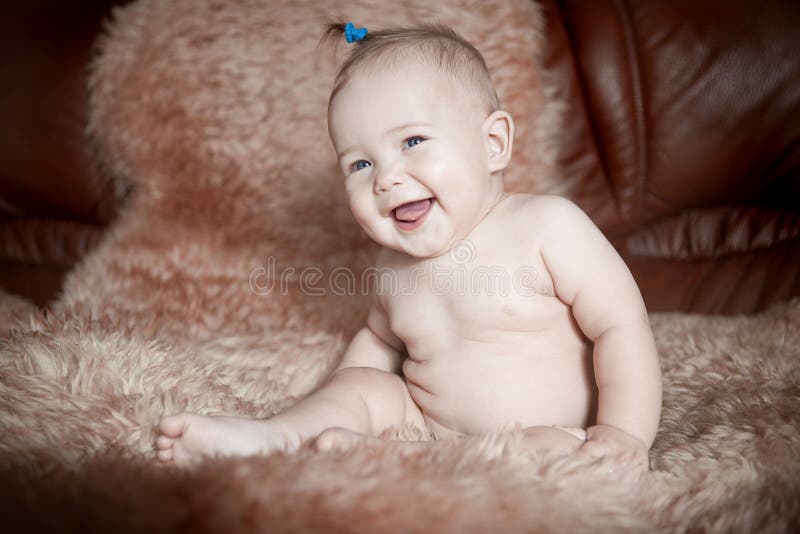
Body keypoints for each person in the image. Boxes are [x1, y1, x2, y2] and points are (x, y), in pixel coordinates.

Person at [156, 22, 662, 472]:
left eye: (413, 142)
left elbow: (621, 325)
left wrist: (622, 433)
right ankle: (276, 436)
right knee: (365, 387)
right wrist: (341, 390)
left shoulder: (548, 226)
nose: (386, 178)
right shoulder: (392, 265)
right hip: (426, 420)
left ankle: (400, 460)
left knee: (545, 452)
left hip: (549, 434)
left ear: (493, 144)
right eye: (360, 164)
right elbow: (379, 342)